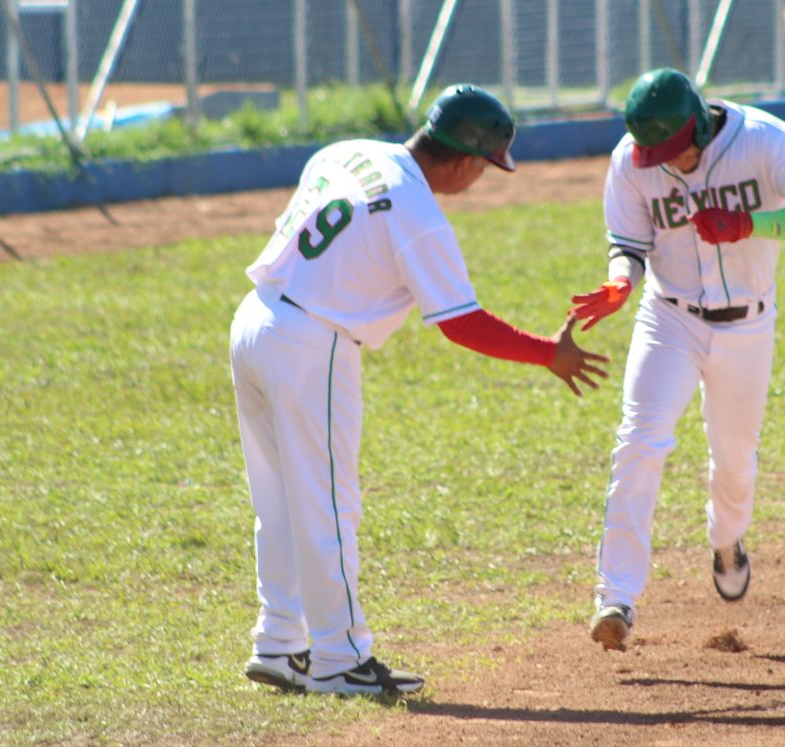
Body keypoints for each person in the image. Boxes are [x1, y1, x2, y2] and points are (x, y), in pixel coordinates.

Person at [230, 84, 609, 695]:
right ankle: (339, 659)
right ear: (463, 160)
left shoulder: (345, 151)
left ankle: (279, 644)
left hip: (253, 320)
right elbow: (461, 323)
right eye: (485, 167)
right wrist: (547, 353)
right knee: (328, 505)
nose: (482, 178)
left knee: (277, 502)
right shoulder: (418, 214)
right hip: (311, 345)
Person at [570, 68, 785, 651]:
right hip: (669, 316)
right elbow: (628, 246)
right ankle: (615, 596)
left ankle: (727, 540)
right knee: (640, 440)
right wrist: (620, 284)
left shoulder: (765, 139)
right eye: (657, 152)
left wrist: (751, 223)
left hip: (747, 324)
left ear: (699, 120)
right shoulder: (631, 160)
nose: (671, 161)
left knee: (735, 460)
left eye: (676, 148)